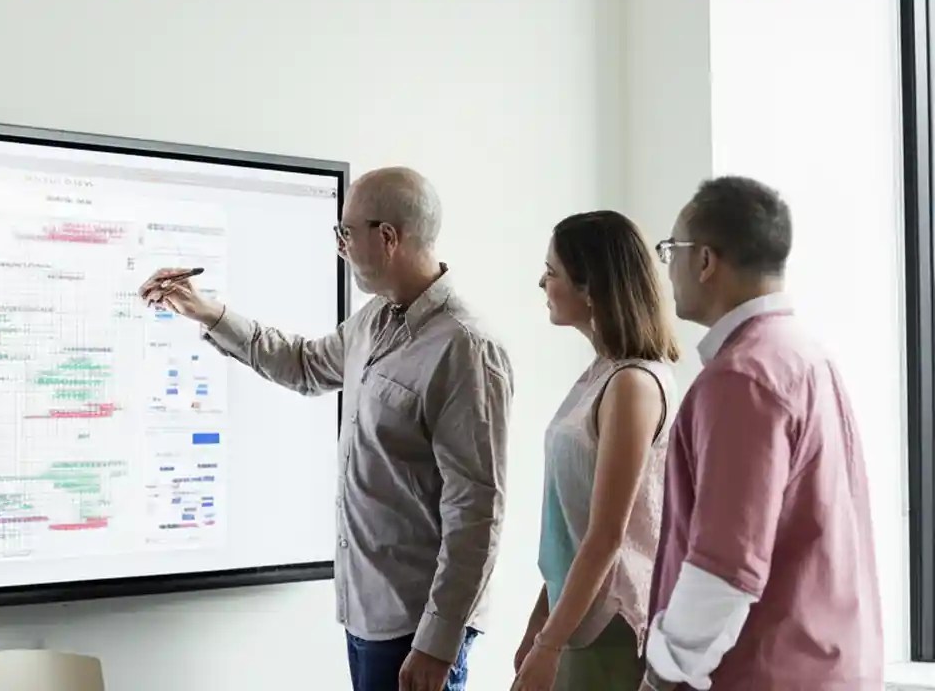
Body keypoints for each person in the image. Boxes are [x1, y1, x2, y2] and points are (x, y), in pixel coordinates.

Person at [138, 166, 512, 691]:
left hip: (418, 629)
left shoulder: (465, 348)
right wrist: (205, 311)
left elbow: (477, 510)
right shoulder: (375, 319)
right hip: (365, 613)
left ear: (387, 238)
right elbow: (306, 365)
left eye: (346, 233)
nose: (340, 247)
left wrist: (440, 639)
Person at [640, 177, 883, 690]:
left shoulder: (742, 377)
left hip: (765, 672)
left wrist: (662, 677)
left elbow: (724, 567)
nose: (669, 268)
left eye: (671, 250)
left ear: (704, 261)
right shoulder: (806, 354)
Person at [511, 211, 679, 691]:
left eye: (552, 271)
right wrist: (539, 628)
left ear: (590, 287)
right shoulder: (600, 373)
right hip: (576, 620)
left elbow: (607, 535)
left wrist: (549, 644)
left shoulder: (633, 385)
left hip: (608, 622)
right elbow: (569, 523)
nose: (542, 282)